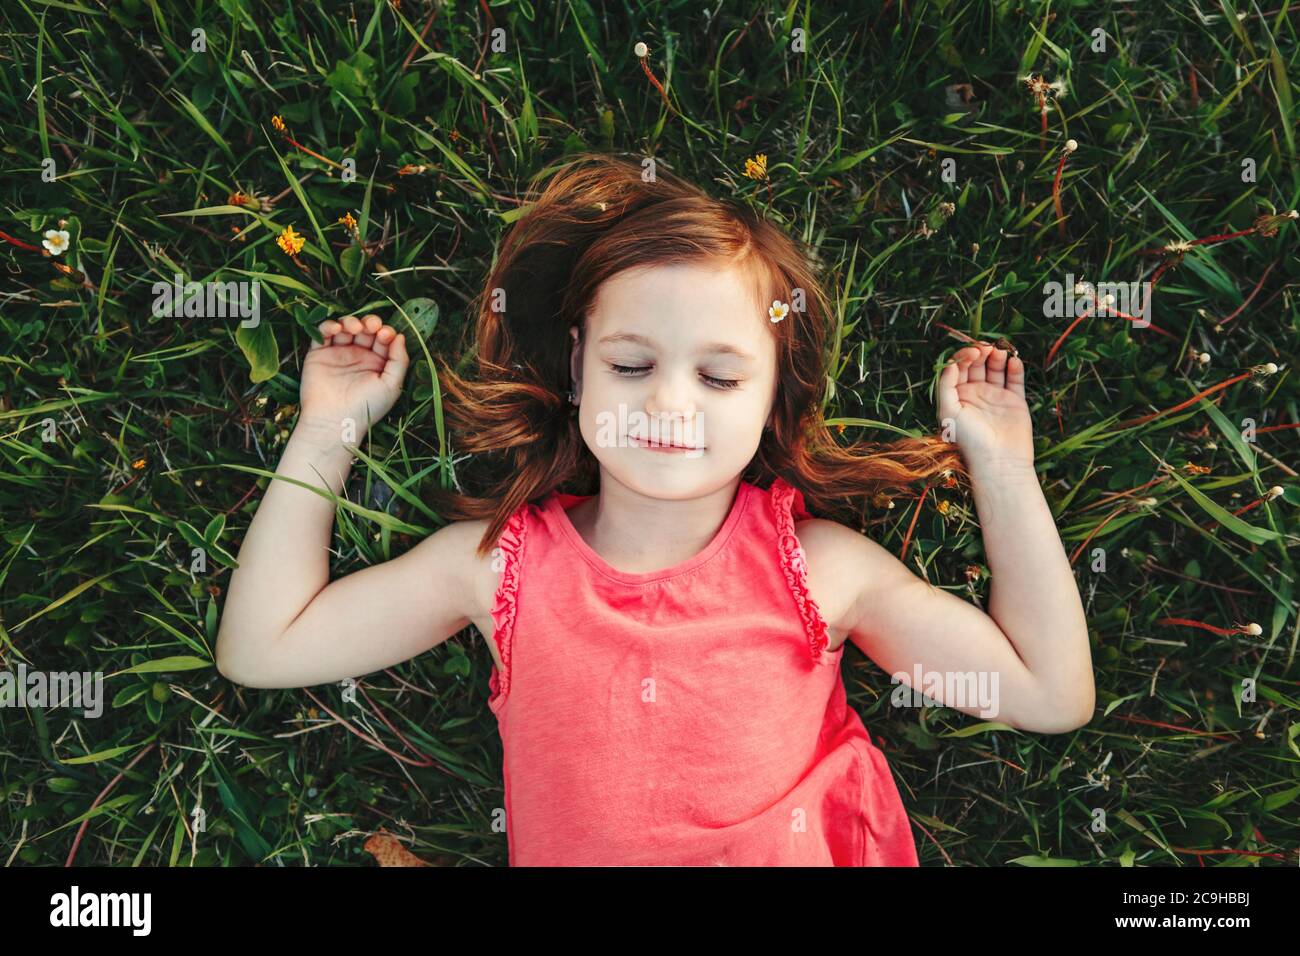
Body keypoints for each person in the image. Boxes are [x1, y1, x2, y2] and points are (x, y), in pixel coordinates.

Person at [216, 153, 1095, 866]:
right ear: (577, 365)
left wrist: (1001, 468)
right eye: (632, 366)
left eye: (718, 377)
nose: (671, 405)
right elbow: (264, 647)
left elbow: (1050, 695)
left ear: (772, 397)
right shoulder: (497, 567)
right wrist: (328, 431)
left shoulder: (821, 571)